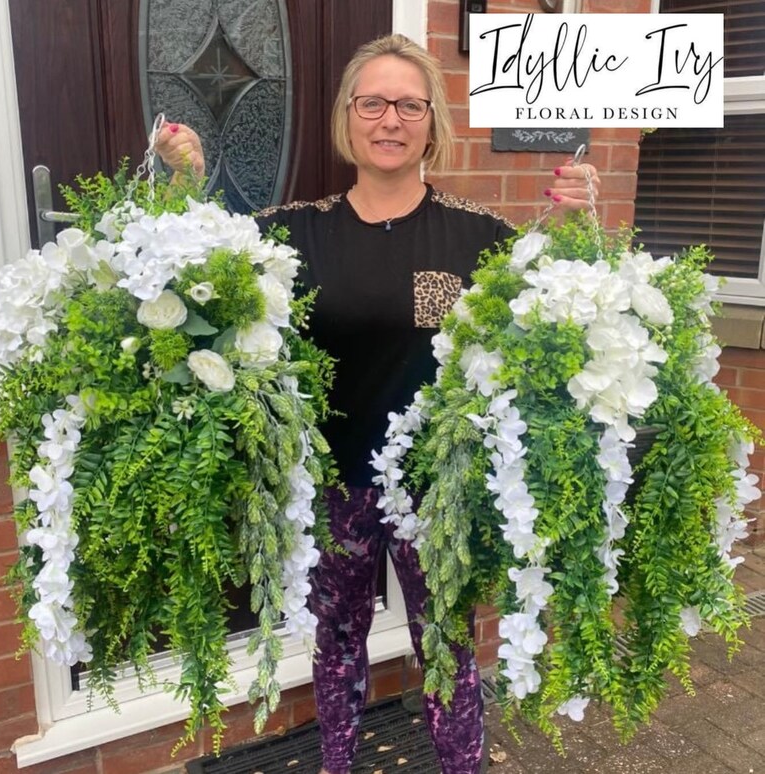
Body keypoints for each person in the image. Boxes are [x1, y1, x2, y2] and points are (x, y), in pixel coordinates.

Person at [157, 33, 599, 774]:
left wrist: (581, 231)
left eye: (408, 104)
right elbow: (194, 272)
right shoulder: (292, 232)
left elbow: (556, 321)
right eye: (373, 102)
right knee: (336, 643)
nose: (389, 119)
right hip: (335, 486)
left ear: (432, 123)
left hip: (440, 491)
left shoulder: (479, 238)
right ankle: (338, 761)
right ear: (347, 117)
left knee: (448, 643)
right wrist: (185, 185)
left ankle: (462, 765)